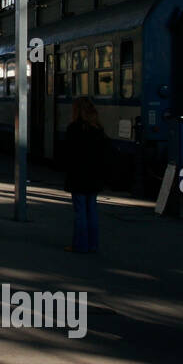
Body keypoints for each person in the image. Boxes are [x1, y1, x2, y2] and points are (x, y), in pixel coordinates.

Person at [63, 96, 111, 254]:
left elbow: (68, 153)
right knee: (92, 211)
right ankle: (93, 244)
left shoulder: (74, 128)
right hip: (95, 177)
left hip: (78, 176)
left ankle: (79, 245)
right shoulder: (99, 130)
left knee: (80, 212)